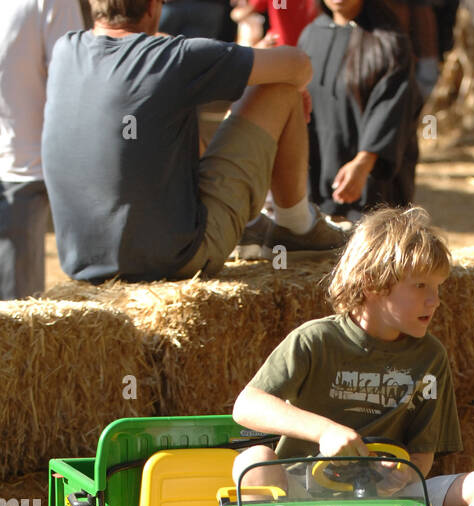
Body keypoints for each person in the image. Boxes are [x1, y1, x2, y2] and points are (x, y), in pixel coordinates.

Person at [232, 206, 474, 506]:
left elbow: (422, 454)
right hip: (303, 498)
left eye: (439, 286)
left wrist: (402, 473)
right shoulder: (316, 340)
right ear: (372, 283)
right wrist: (326, 432)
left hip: (388, 499)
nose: (435, 300)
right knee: (253, 460)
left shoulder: (430, 357)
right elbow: (247, 406)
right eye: (421, 285)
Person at [42, 0, 348, 284]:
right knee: (281, 88)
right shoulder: (174, 57)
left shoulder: (66, 51)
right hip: (175, 261)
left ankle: (252, 227)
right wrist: (292, 84)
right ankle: (296, 228)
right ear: (152, 7)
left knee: (163, 118)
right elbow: (298, 64)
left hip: (82, 263)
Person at [295, 0, 422, 225]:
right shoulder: (311, 35)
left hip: (371, 191)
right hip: (318, 187)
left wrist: (365, 161)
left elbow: (393, 108)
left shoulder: (389, 41)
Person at [0, 0, 83, 300]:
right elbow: (74, 83)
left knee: (14, 326)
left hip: (21, 175)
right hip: (21, 172)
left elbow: (71, 80)